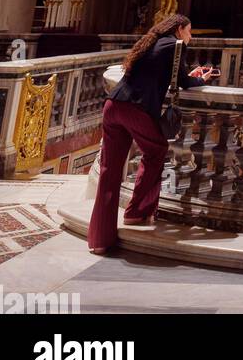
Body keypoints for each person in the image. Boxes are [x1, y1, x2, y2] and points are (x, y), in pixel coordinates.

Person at [87, 13, 212, 255]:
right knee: (156, 151)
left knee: (109, 172)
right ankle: (137, 212)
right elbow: (184, 84)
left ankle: (100, 239)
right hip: (136, 109)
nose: (191, 36)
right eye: (189, 31)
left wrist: (188, 76)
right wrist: (202, 78)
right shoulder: (175, 46)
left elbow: (167, 77)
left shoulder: (149, 41)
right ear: (179, 30)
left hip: (113, 106)